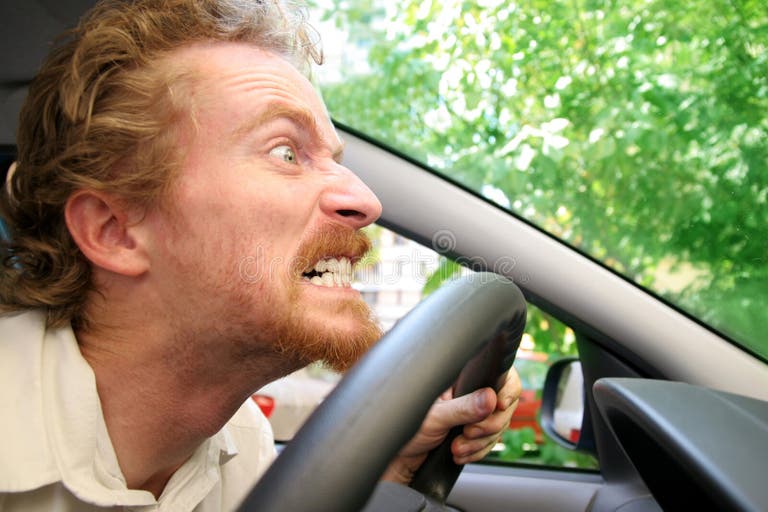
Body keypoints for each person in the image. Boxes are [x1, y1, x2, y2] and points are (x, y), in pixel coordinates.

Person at [0, 0, 522, 510]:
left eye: (332, 159)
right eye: (286, 152)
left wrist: (387, 468)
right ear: (114, 231)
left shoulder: (239, 443)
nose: (367, 202)